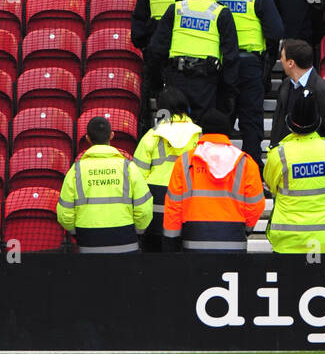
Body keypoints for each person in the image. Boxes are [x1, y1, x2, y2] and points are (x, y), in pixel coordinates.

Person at [144, 0, 240, 129]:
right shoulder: (222, 13)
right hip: (206, 84)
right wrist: (228, 91)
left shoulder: (176, 9)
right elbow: (231, 56)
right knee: (202, 133)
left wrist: (157, 84)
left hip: (176, 80)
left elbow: (156, 49)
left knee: (172, 131)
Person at [213, 0, 284, 167]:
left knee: (221, 120)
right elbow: (276, 31)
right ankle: (251, 169)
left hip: (221, 64)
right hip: (249, 65)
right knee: (251, 122)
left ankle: (217, 167)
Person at [264, 89, 325, 254]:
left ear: (290, 121)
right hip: (324, 239)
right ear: (317, 121)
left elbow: (271, 186)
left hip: (287, 242)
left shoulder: (278, 154)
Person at [56, 116, 153, 254]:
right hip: (126, 242)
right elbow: (144, 209)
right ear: (112, 135)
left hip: (88, 243)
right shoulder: (129, 167)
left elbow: (64, 214)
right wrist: (136, 231)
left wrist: (77, 233)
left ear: (88, 138)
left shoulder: (76, 170)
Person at [162, 127, 266, 252]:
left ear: (203, 132)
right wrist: (245, 229)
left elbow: (174, 206)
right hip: (233, 241)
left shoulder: (184, 161)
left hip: (194, 241)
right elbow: (256, 205)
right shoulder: (246, 163)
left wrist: (171, 241)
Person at [132, 88, 201, 251]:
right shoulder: (199, 136)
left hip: (156, 198)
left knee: (153, 252)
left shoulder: (152, 136)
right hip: (188, 196)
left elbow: (137, 175)